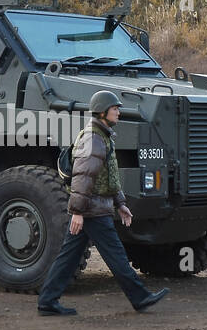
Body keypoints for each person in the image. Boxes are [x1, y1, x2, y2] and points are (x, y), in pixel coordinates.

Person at [37, 91, 168, 316]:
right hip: (92, 211)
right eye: (114, 108)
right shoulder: (93, 138)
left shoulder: (102, 136)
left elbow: (108, 177)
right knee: (116, 255)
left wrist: (120, 203)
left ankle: (47, 301)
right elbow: (83, 177)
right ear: (102, 112)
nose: (119, 111)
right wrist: (77, 211)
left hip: (92, 207)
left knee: (68, 257)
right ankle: (140, 297)